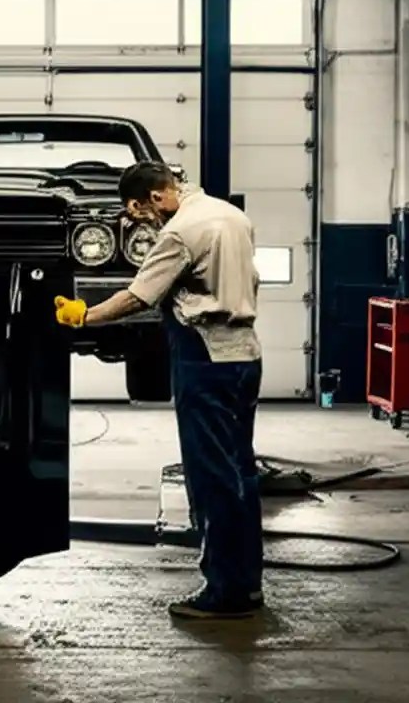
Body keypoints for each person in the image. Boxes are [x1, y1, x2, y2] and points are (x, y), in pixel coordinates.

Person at [53, 161, 264, 620]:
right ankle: (247, 585)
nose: (144, 223)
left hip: (205, 356)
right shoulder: (231, 215)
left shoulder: (180, 232)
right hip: (246, 357)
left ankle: (225, 593)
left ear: (152, 197)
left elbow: (136, 297)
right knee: (242, 474)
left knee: (212, 480)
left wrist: (82, 315)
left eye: (139, 213)